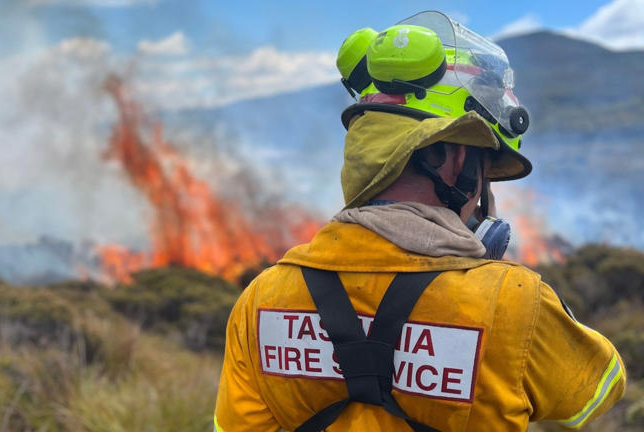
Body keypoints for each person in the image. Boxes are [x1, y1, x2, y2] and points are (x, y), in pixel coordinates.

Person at [213, 11, 626, 432]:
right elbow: (598, 390)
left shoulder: (260, 299)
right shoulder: (516, 303)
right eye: (484, 167)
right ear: (457, 160)